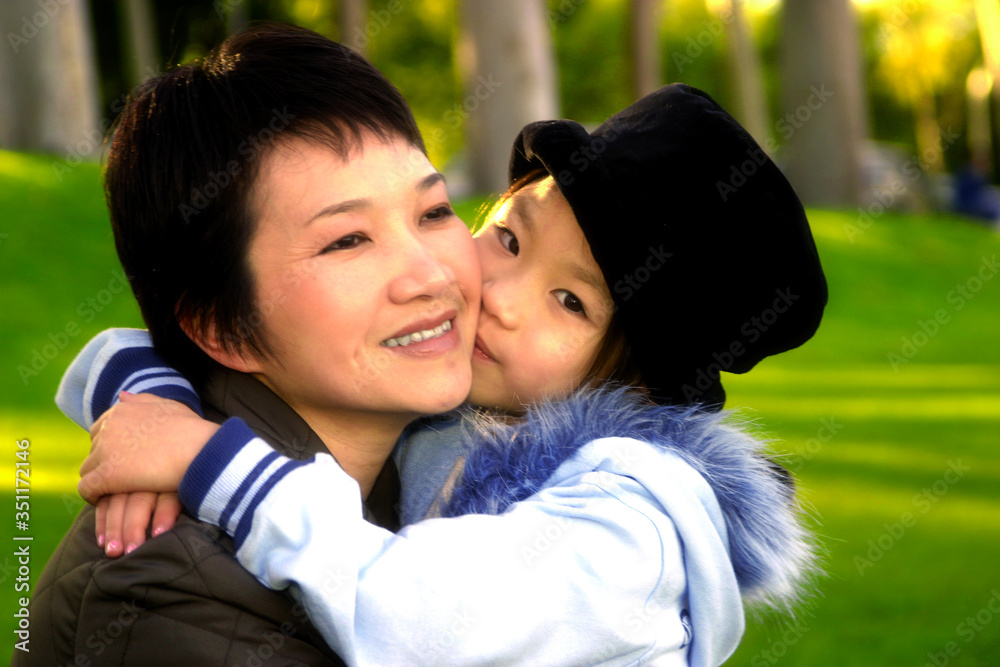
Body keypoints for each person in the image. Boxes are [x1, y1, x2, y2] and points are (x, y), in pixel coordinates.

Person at [57, 83, 828, 665]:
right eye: (509, 240)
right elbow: (128, 346)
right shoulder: (458, 419)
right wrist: (154, 404)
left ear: (639, 386)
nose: (501, 298)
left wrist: (205, 460)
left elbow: (417, 619)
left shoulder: (629, 523)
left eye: (569, 302)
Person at [15, 23, 482, 667]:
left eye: (433, 212)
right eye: (348, 240)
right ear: (222, 327)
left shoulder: (441, 461)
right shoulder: (177, 585)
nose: (432, 276)